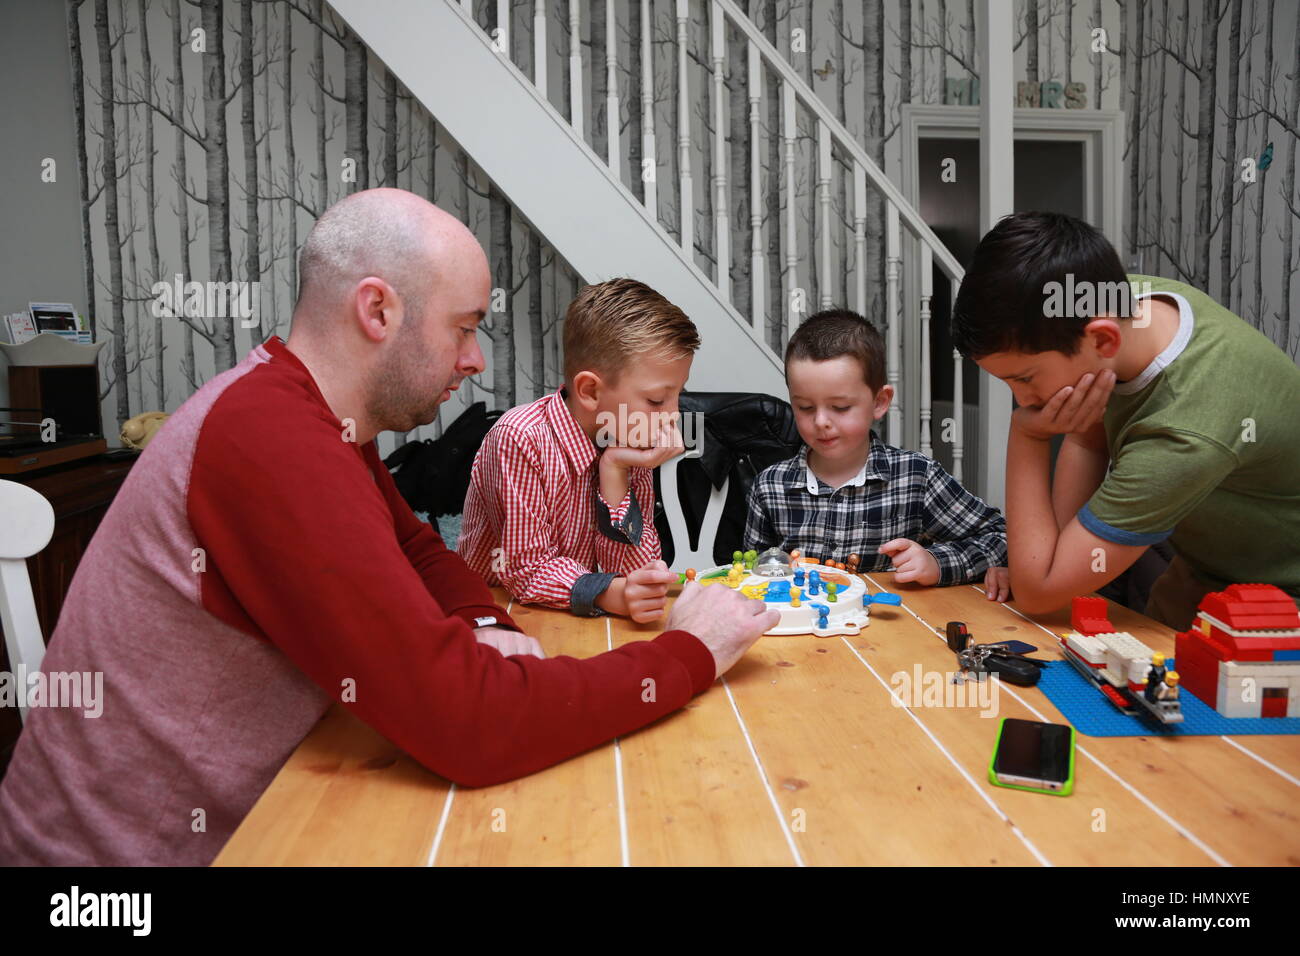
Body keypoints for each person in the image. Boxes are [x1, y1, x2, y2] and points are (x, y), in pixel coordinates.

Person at [0, 188, 778, 866]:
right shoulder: (270, 439)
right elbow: (466, 724)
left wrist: (484, 623)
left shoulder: (313, 414)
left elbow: (412, 544)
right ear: (378, 311)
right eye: (464, 327)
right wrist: (691, 653)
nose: (476, 359)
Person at [951, 211, 1300, 627]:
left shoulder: (1183, 432)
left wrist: (1028, 436)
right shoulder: (1119, 302)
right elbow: (1088, 437)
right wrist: (1046, 561)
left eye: (1023, 378)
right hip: (1200, 573)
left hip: (1278, 601)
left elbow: (1038, 595)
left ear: (1102, 338)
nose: (1022, 399)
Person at [459, 278, 694, 622]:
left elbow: (633, 575)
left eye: (678, 396)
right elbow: (527, 569)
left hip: (580, 619)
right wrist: (613, 593)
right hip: (496, 616)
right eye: (657, 400)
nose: (673, 415)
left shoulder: (629, 443)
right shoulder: (521, 438)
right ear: (590, 391)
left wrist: (614, 471)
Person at [744, 309, 1010, 599]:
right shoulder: (770, 486)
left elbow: (1000, 538)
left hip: (890, 635)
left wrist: (936, 562)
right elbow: (750, 575)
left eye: (840, 407)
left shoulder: (916, 477)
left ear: (880, 402)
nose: (820, 421)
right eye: (805, 407)